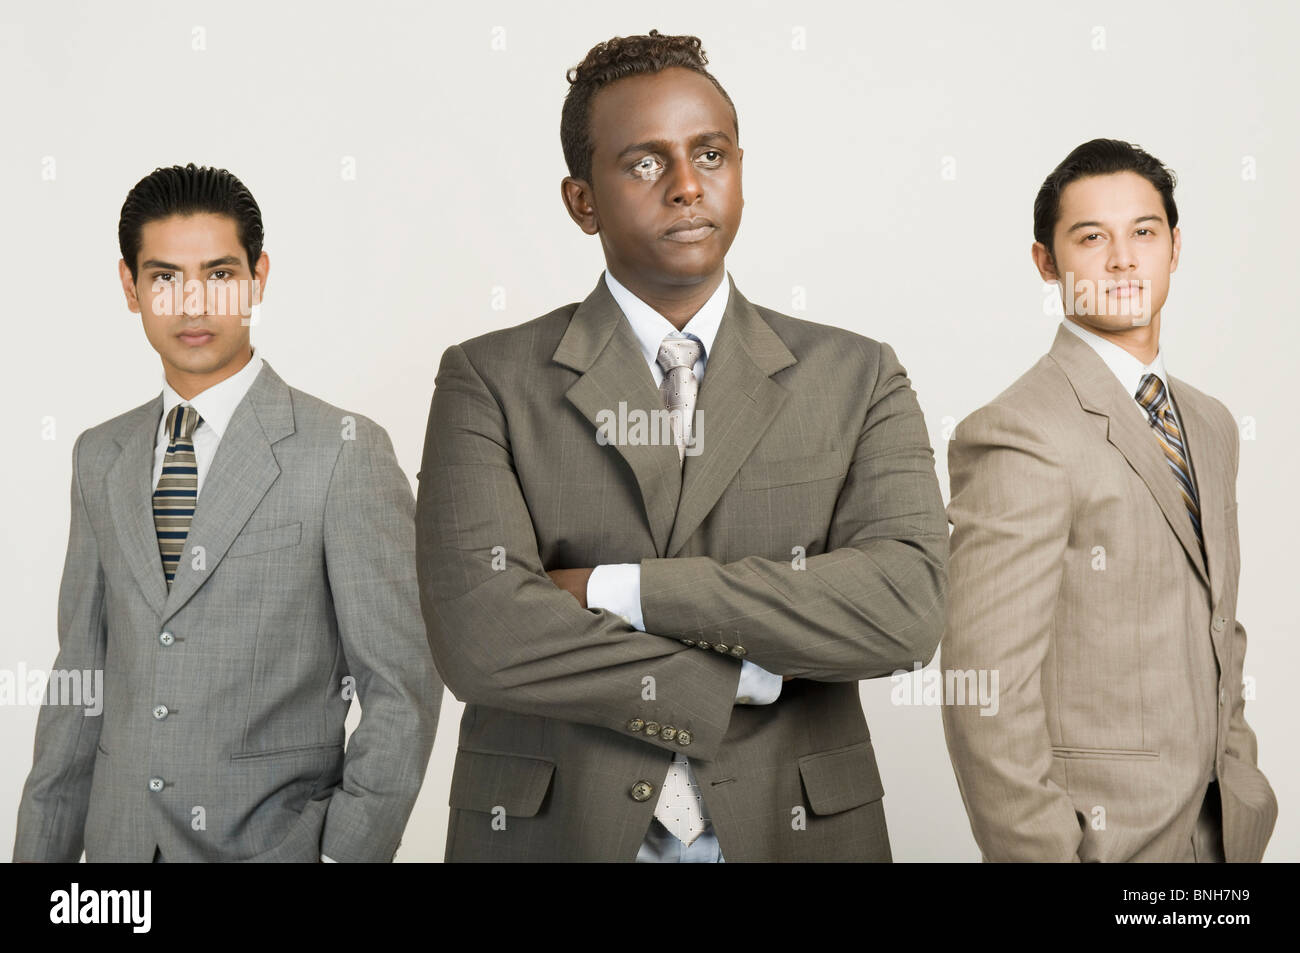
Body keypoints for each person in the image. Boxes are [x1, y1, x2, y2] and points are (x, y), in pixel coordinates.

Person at [416, 30, 947, 862]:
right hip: (558, 831)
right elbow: (481, 636)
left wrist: (615, 587)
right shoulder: (487, 378)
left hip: (794, 826)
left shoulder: (856, 373)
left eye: (711, 153)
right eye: (644, 163)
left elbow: (906, 607)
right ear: (582, 200)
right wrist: (747, 673)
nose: (688, 187)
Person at [13, 163, 442, 862]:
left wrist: (343, 854)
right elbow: (78, 684)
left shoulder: (341, 452)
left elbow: (403, 687)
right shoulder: (101, 455)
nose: (192, 303)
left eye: (219, 274)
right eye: (164, 277)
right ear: (130, 287)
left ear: (259, 278)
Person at [941, 139, 1277, 862]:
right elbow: (983, 690)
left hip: (1220, 842)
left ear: (1175, 247)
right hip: (1106, 845)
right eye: (1092, 238)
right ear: (1046, 262)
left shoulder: (1211, 423)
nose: (1123, 259)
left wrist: (1242, 779)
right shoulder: (1019, 431)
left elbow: (1220, 627)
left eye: (1144, 233)